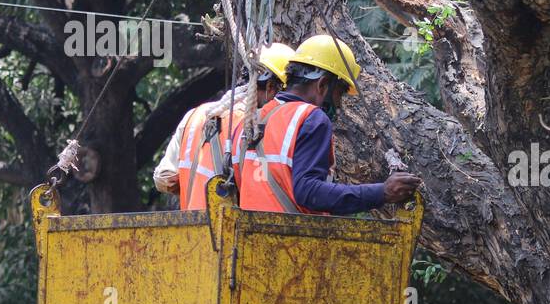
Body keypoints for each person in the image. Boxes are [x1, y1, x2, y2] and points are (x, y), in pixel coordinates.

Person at [236, 34, 421, 214]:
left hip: (247, 236)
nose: (339, 104)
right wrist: (382, 192)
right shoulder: (311, 118)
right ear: (322, 84)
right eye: (339, 93)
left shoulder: (257, 117)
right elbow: (308, 192)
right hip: (291, 239)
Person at [154, 44, 294, 210]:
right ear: (270, 87)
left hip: (192, 229)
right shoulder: (258, 127)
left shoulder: (196, 115)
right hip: (232, 231)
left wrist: (197, 187)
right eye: (284, 96)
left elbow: (163, 178)